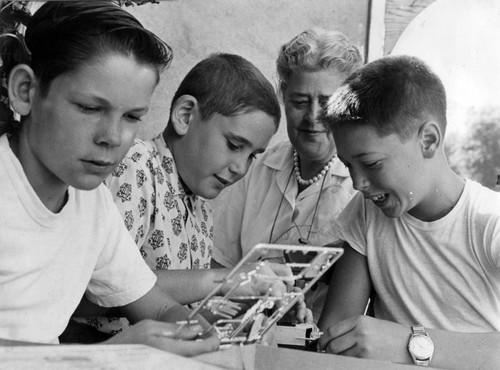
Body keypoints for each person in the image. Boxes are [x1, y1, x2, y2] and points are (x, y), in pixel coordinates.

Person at [0, 1, 219, 356]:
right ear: (26, 91)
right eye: (90, 108)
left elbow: (157, 307)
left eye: (132, 117)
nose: (113, 137)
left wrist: (194, 330)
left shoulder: (92, 202)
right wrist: (106, 354)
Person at [73, 52, 299, 335]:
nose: (240, 167)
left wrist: (254, 301)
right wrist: (224, 278)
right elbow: (90, 291)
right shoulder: (136, 166)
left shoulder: (201, 209)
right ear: (185, 116)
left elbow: (179, 308)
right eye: (233, 144)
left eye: (253, 155)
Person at [317, 55, 500, 369]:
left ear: (428, 140)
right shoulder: (367, 212)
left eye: (372, 163)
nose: (358, 183)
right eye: (349, 166)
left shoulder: (490, 222)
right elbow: (334, 334)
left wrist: (409, 343)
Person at [211, 28, 363, 321]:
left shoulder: (362, 187)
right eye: (300, 101)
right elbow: (219, 266)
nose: (312, 117)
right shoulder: (255, 166)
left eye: (327, 103)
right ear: (283, 95)